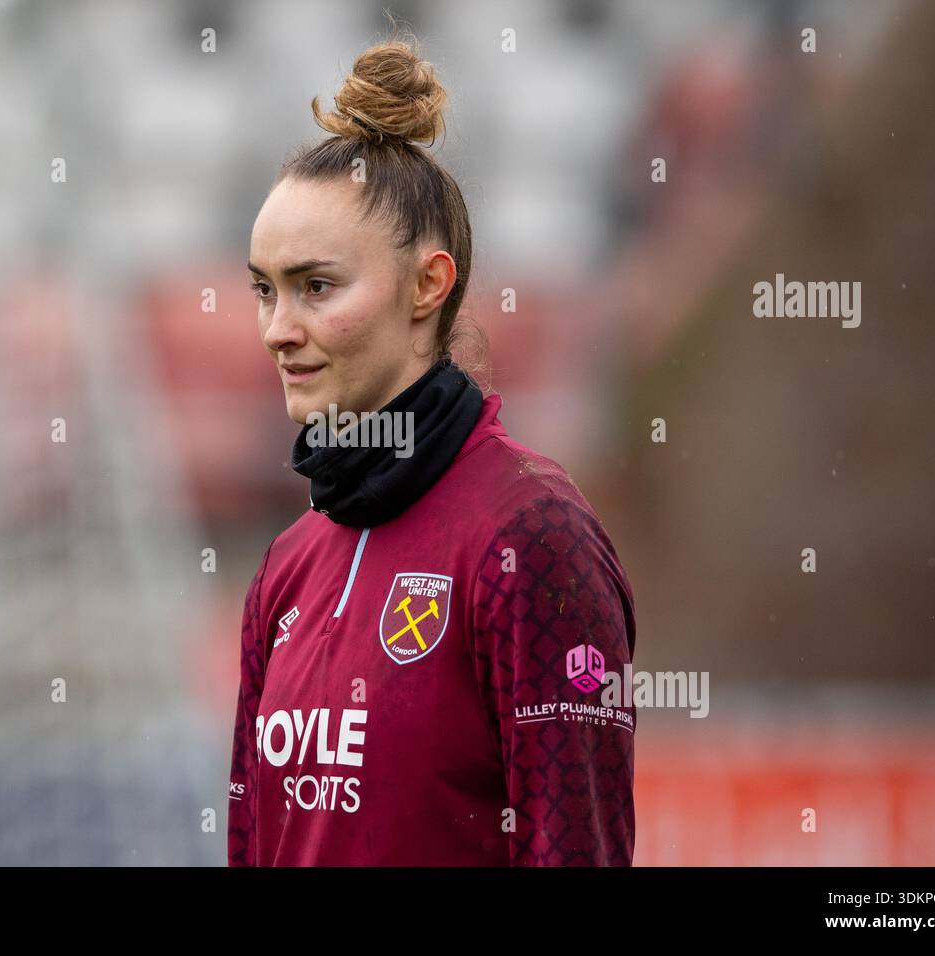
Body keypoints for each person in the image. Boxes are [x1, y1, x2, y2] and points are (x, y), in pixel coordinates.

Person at [228, 31, 637, 866]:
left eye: (316, 286)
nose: (278, 330)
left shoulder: (532, 536)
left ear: (429, 285)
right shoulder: (287, 565)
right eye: (265, 291)